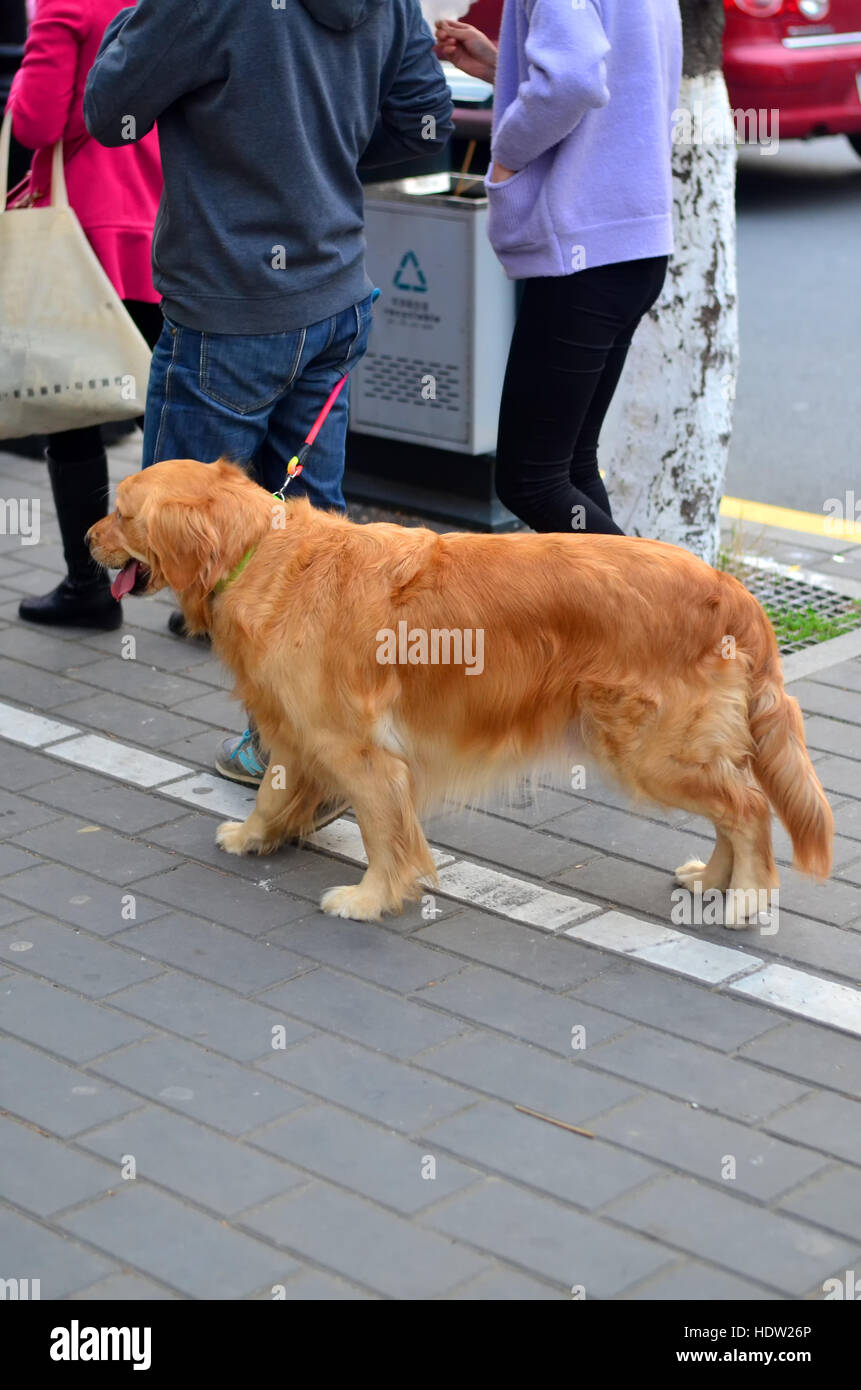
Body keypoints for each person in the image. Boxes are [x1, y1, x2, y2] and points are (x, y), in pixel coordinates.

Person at [83, 0, 453, 784]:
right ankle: (320, 743)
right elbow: (424, 120)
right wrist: (324, 160)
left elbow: (109, 110)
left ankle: (288, 745)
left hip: (228, 309)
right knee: (309, 543)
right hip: (333, 295)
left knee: (190, 539)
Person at [437, 1, 682, 536]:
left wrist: (506, 152)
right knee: (567, 468)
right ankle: (624, 618)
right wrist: (501, 66)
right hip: (631, 244)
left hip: (585, 254)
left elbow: (572, 80)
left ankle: (656, 609)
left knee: (531, 481)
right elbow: (614, 74)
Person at [8, 0, 162, 630]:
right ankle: (210, 589)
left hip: (83, 232)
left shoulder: (64, 6)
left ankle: (87, 586)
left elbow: (36, 122)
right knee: (180, 406)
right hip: (160, 219)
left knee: (71, 411)